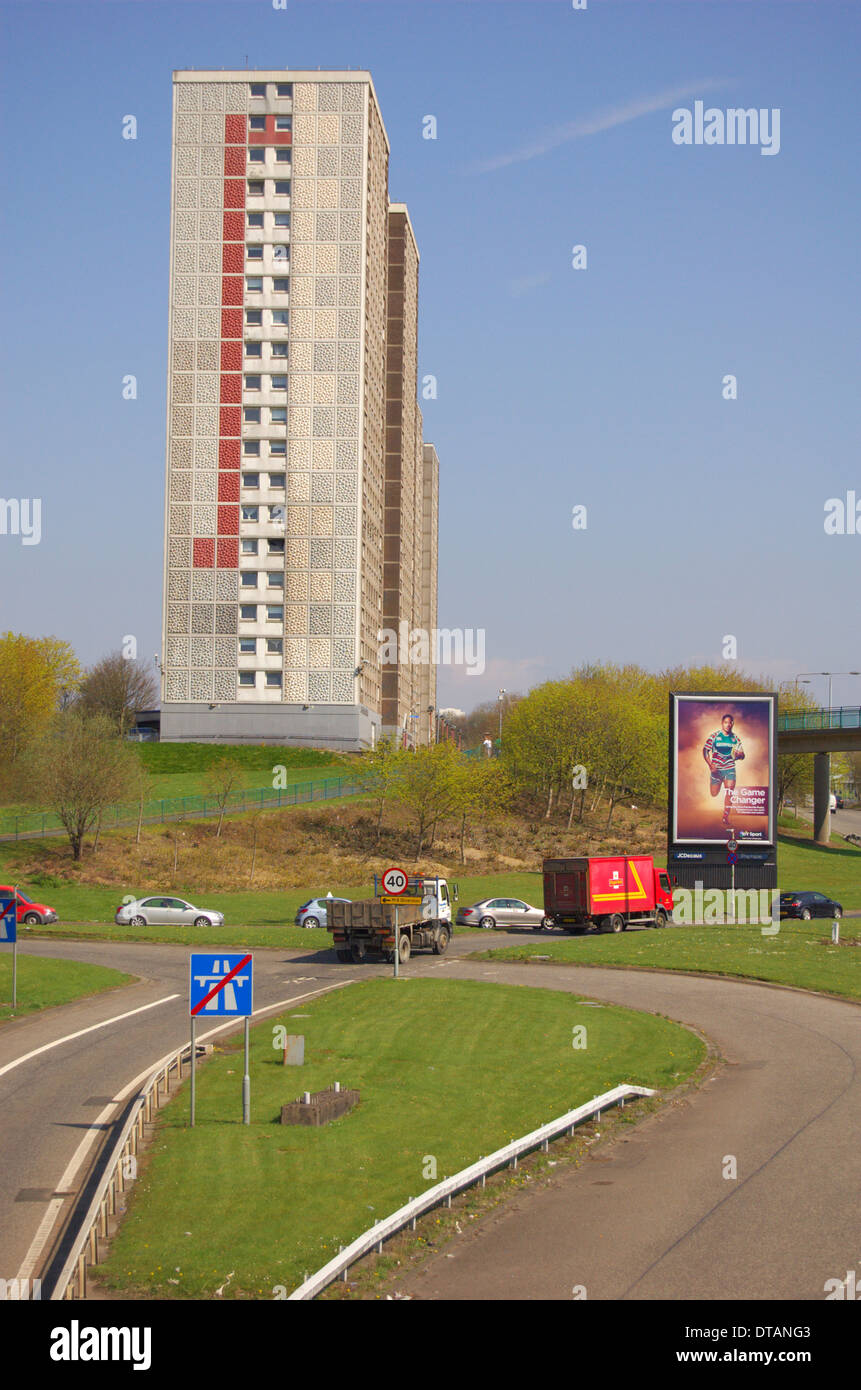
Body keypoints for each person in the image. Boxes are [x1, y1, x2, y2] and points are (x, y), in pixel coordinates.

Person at [703, 714, 745, 827]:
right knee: (714, 793)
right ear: (722, 723)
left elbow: (742, 755)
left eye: (730, 722)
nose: (728, 724)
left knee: (729, 791)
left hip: (729, 768)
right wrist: (710, 764)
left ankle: (725, 817)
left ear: (733, 724)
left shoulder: (735, 738)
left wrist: (740, 755)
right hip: (716, 770)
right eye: (726, 722)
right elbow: (705, 751)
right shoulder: (715, 736)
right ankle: (716, 783)